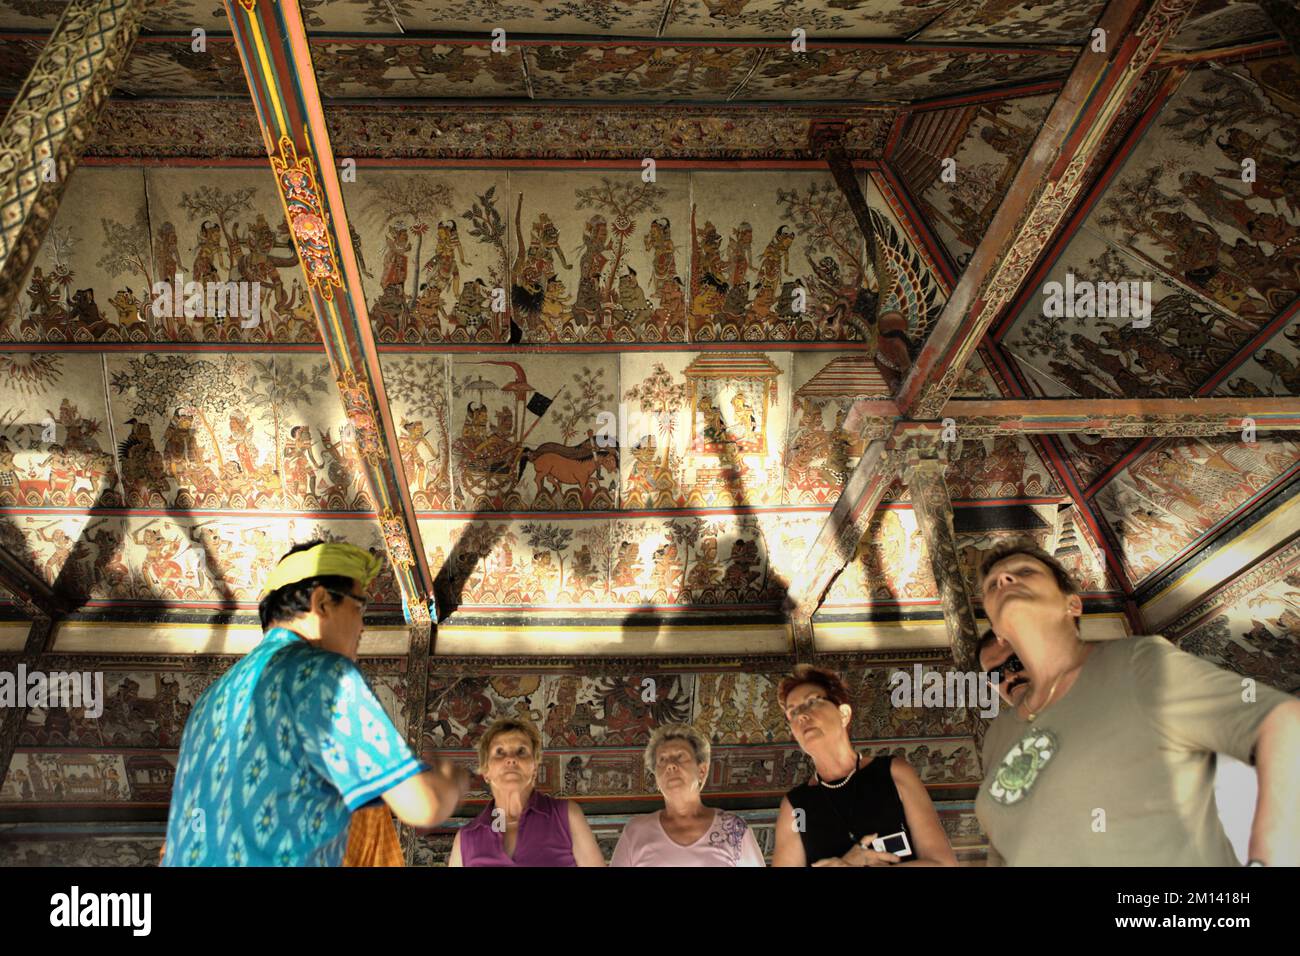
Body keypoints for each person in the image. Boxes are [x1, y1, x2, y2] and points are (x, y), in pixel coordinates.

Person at [975, 540, 1300, 866]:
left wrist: (1269, 858)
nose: (1004, 580)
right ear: (998, 632)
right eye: (992, 584)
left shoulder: (1135, 663)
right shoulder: (998, 736)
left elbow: (1283, 723)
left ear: (1072, 604)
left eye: (1024, 572)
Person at [162, 540, 469, 866]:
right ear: (321, 601)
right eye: (358, 607)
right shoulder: (322, 674)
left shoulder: (210, 699)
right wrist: (452, 783)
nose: (362, 625)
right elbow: (421, 805)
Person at [772, 665, 957, 867]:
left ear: (844, 714)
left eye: (812, 702)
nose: (801, 715)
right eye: (793, 712)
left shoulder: (892, 773)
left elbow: (944, 863)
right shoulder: (797, 808)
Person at [449, 717, 604, 866]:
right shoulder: (466, 839)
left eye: (521, 751)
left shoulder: (566, 816)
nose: (511, 759)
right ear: (485, 772)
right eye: (499, 752)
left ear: (535, 769)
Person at [611, 723, 764, 867]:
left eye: (680, 756)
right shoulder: (636, 832)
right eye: (662, 760)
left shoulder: (734, 830)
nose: (670, 765)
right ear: (656, 778)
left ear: (702, 770)